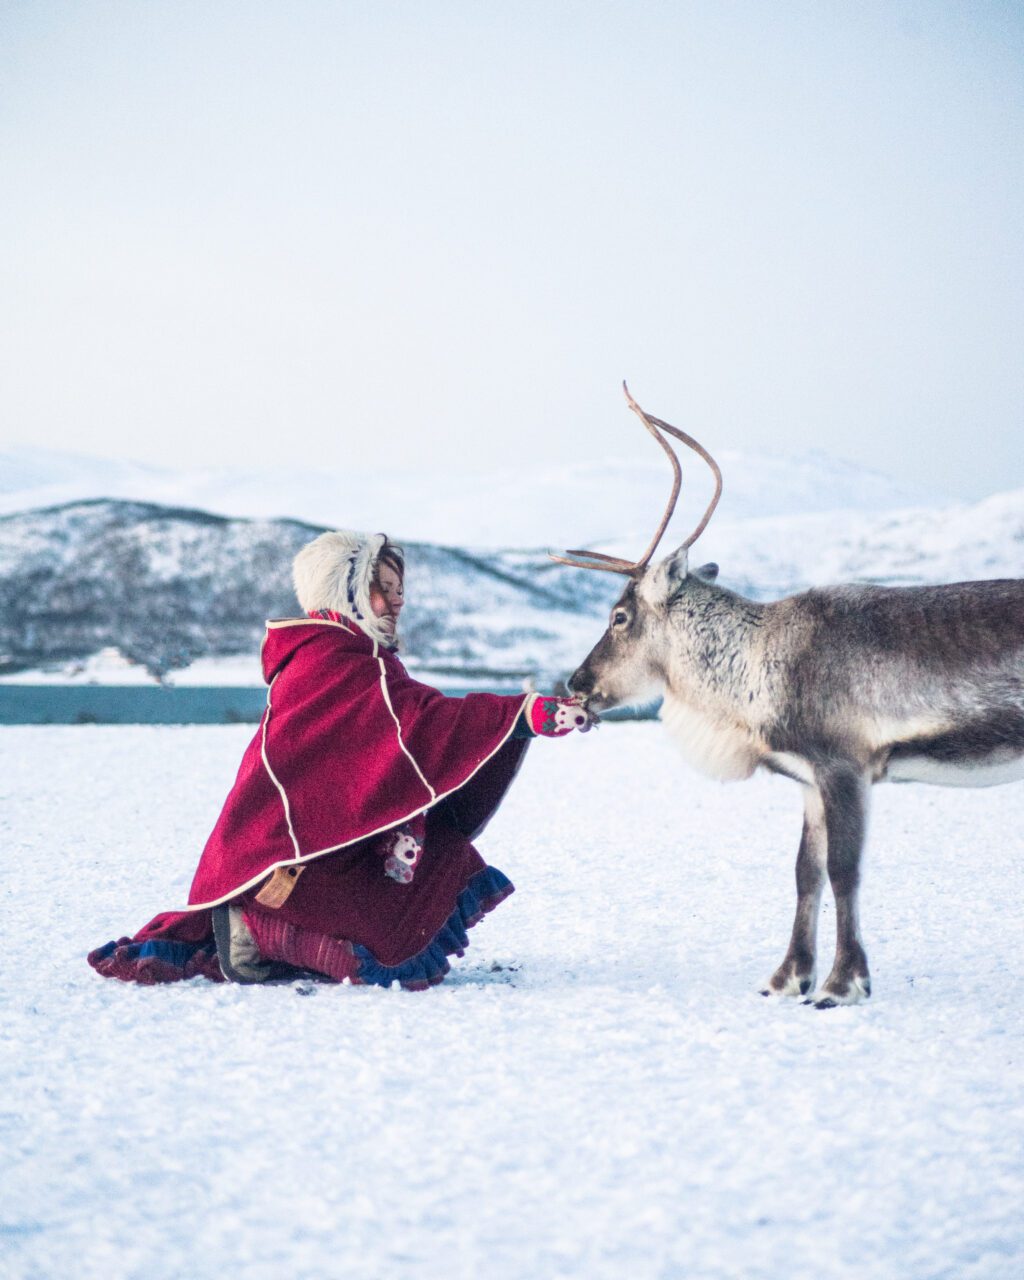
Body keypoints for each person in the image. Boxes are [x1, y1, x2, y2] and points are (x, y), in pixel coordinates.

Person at [88, 530, 593, 991]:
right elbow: (420, 723)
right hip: (285, 870)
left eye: (400, 589)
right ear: (346, 590)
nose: (397, 600)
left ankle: (269, 933)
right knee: (399, 945)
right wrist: (523, 714)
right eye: (385, 588)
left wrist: (518, 717)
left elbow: (395, 739)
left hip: (279, 861)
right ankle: (260, 929)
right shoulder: (340, 660)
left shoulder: (335, 655)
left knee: (440, 857)